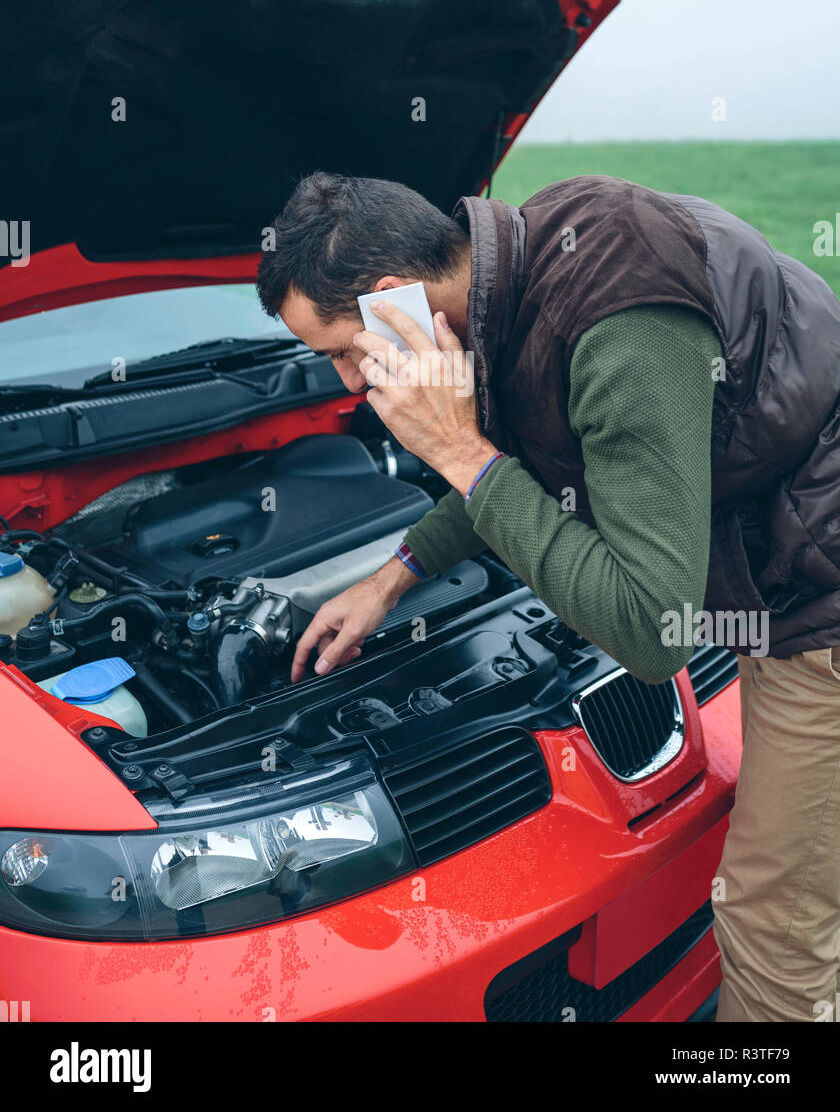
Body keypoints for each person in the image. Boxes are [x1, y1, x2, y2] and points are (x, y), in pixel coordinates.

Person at [256, 169, 840, 1023]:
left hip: (819, 601)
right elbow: (541, 450)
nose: (348, 382)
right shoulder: (523, 267)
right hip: (776, 549)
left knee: (771, 918)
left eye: (342, 348)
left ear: (392, 302)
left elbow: (654, 633)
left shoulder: (617, 321)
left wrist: (461, 452)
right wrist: (395, 576)